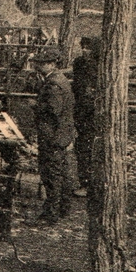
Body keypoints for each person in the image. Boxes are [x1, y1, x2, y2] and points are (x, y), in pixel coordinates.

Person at [32, 47, 76, 225]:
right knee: (60, 172)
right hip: (61, 134)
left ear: (51, 64)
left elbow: (53, 110)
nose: (37, 66)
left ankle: (51, 213)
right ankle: (63, 208)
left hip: (53, 135)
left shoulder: (53, 84)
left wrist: (36, 105)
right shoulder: (59, 79)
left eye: (41, 63)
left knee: (51, 174)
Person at [71, 38, 98, 198]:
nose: (84, 50)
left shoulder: (99, 66)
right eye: (83, 47)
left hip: (93, 114)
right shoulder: (79, 63)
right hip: (81, 111)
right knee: (82, 148)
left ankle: (90, 185)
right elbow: (77, 86)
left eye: (88, 48)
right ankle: (85, 183)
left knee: (89, 150)